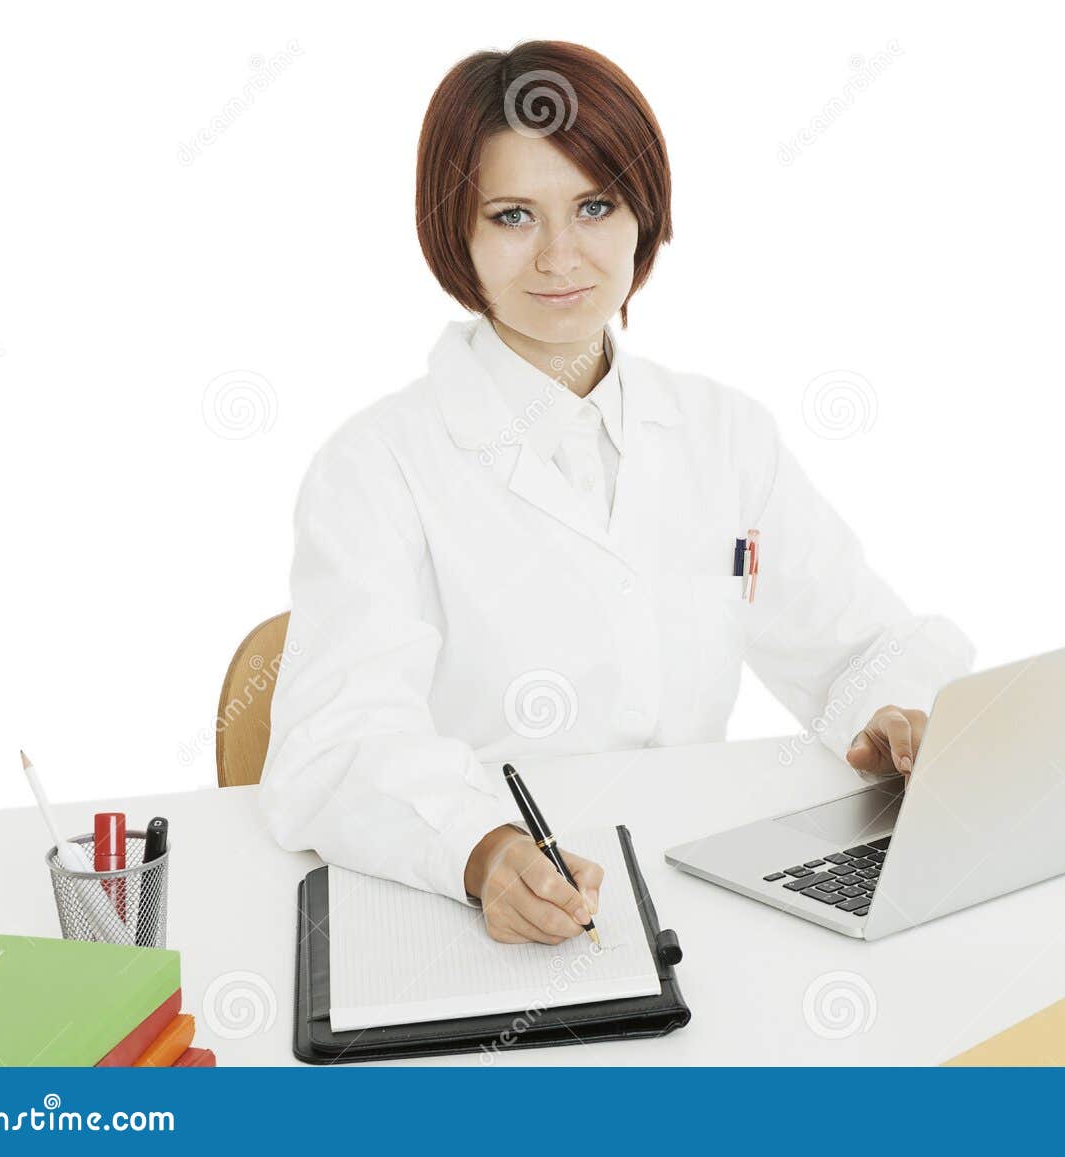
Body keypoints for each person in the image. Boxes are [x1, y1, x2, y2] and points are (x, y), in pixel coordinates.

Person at [260, 40, 975, 945]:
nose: (561, 255)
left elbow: (856, 644)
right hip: (471, 913)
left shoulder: (722, 432)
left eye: (594, 206)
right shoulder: (375, 466)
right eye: (514, 214)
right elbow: (337, 740)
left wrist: (895, 715)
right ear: (457, 233)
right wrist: (479, 848)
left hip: (702, 889)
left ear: (644, 214)